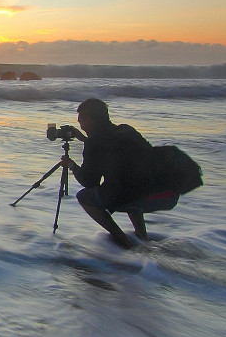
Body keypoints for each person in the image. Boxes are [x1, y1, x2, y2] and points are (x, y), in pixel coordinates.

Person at [61, 98, 179, 248]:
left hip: (138, 196)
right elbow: (110, 146)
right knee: (129, 186)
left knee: (84, 197)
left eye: (81, 122)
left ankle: (123, 241)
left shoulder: (95, 143)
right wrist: (86, 140)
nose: (81, 126)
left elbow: (89, 182)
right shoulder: (127, 130)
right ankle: (143, 237)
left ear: (89, 120)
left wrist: (71, 164)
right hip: (166, 193)